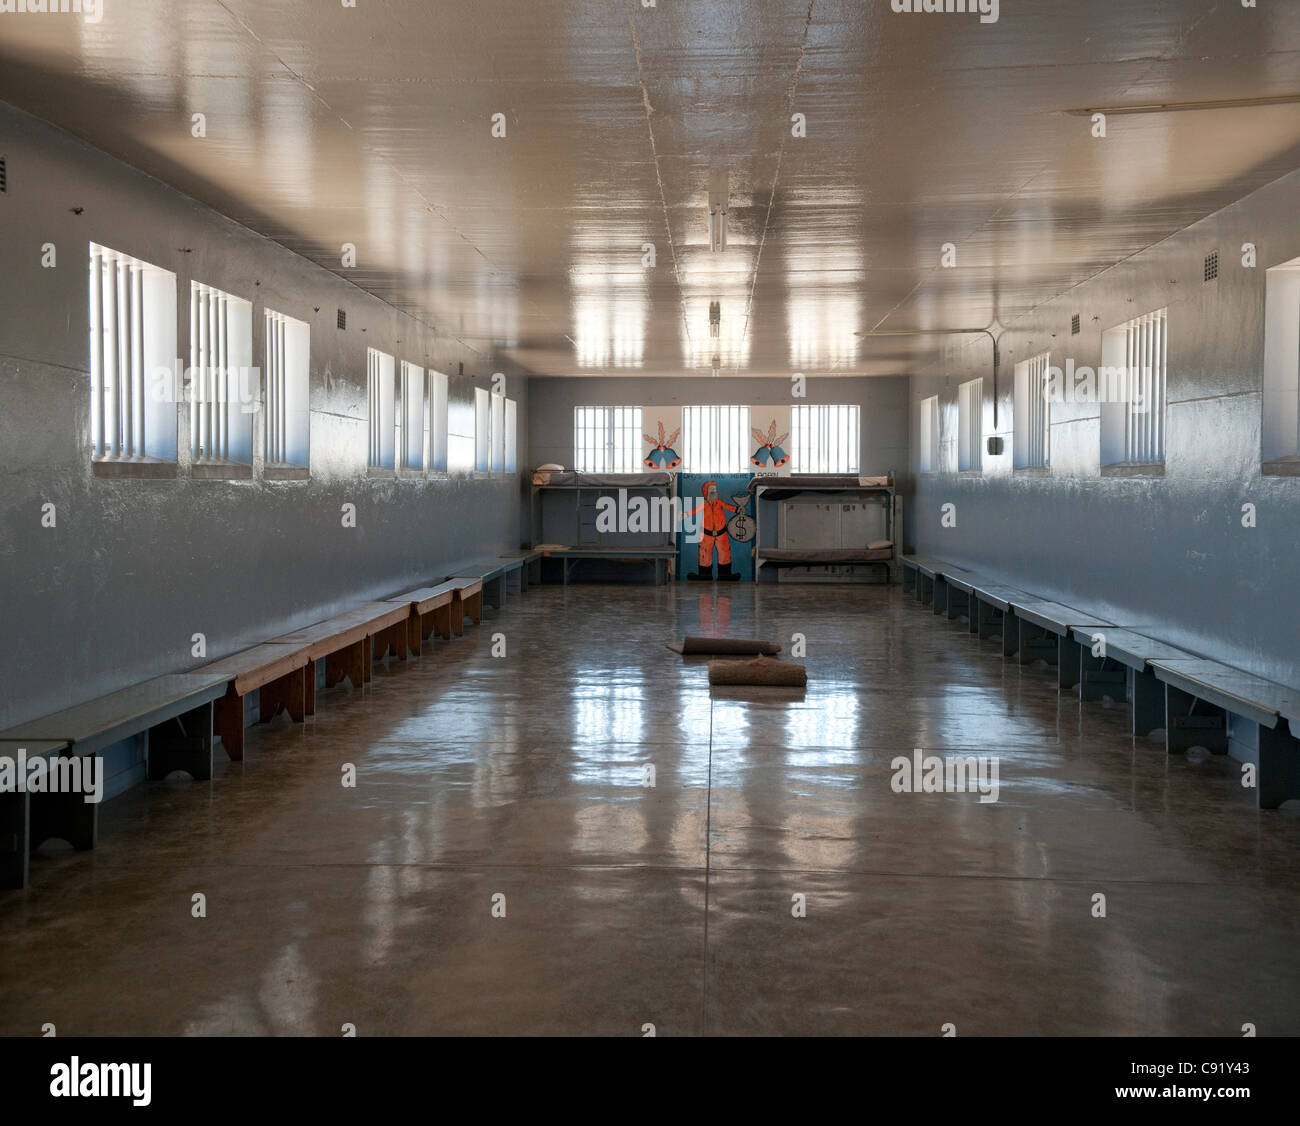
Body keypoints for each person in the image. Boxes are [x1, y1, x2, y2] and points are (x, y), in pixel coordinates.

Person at [686, 480, 741, 581]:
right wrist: (686, 514)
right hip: (706, 534)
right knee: (704, 555)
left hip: (721, 534)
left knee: (724, 553)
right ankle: (704, 575)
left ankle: (725, 575)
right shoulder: (703, 504)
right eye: (711, 490)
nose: (714, 492)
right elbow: (695, 510)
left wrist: (737, 509)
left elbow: (727, 507)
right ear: (706, 492)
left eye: (715, 490)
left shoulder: (719, 502)